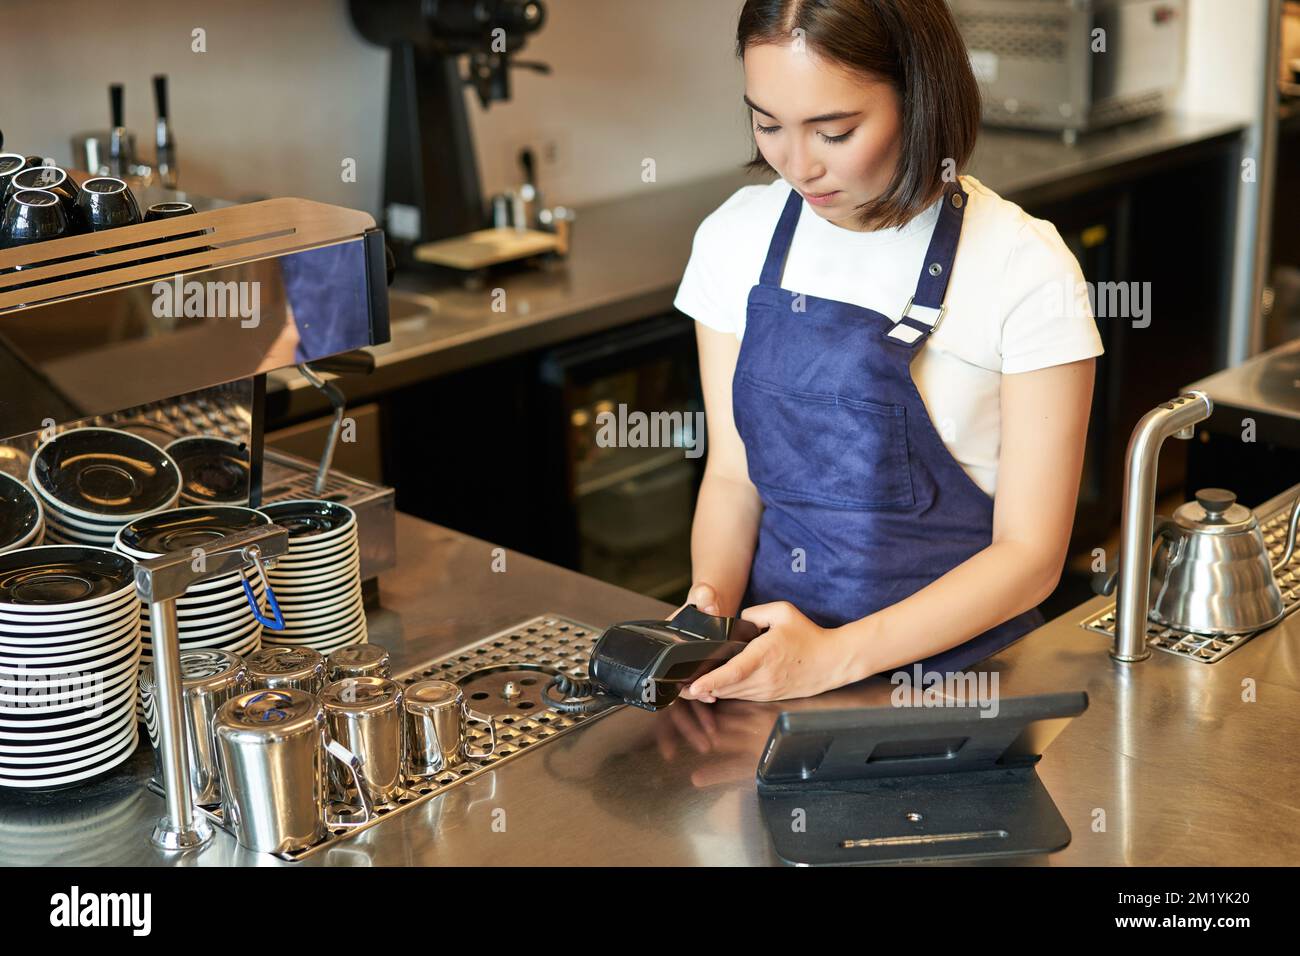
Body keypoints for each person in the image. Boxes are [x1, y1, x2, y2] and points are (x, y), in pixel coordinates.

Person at [672, 0, 1102, 702]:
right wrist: (710, 613)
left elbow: (1030, 556)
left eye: (834, 131)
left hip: (968, 684)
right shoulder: (733, 239)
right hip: (774, 670)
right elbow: (732, 475)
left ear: (920, 95)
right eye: (767, 123)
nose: (797, 164)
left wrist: (836, 658)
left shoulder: (1026, 266)